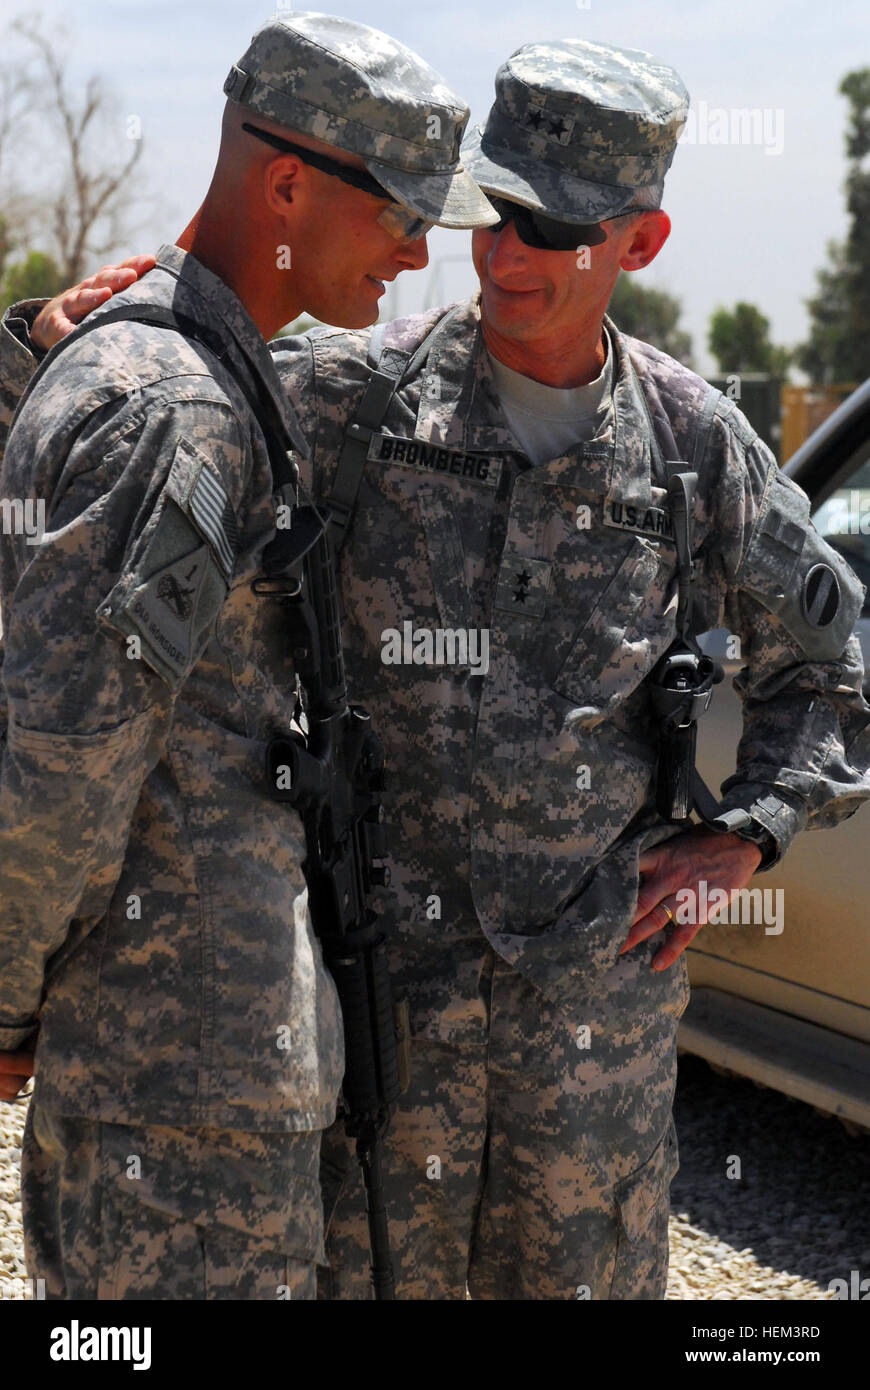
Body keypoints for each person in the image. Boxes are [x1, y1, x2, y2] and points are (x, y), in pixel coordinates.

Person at [5, 38, 869, 1301]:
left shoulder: (697, 449)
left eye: (553, 229)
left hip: (585, 1065)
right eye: (495, 215)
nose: (506, 257)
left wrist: (747, 836)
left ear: (642, 240)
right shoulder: (346, 396)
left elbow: (831, 668)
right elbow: (133, 423)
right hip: (381, 1040)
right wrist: (43, 337)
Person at [0, 12, 495, 1300]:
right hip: (185, 1083)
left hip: (183, 1067)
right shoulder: (178, 407)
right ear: (286, 183)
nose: (419, 248)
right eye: (400, 211)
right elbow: (61, 757)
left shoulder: (196, 367)